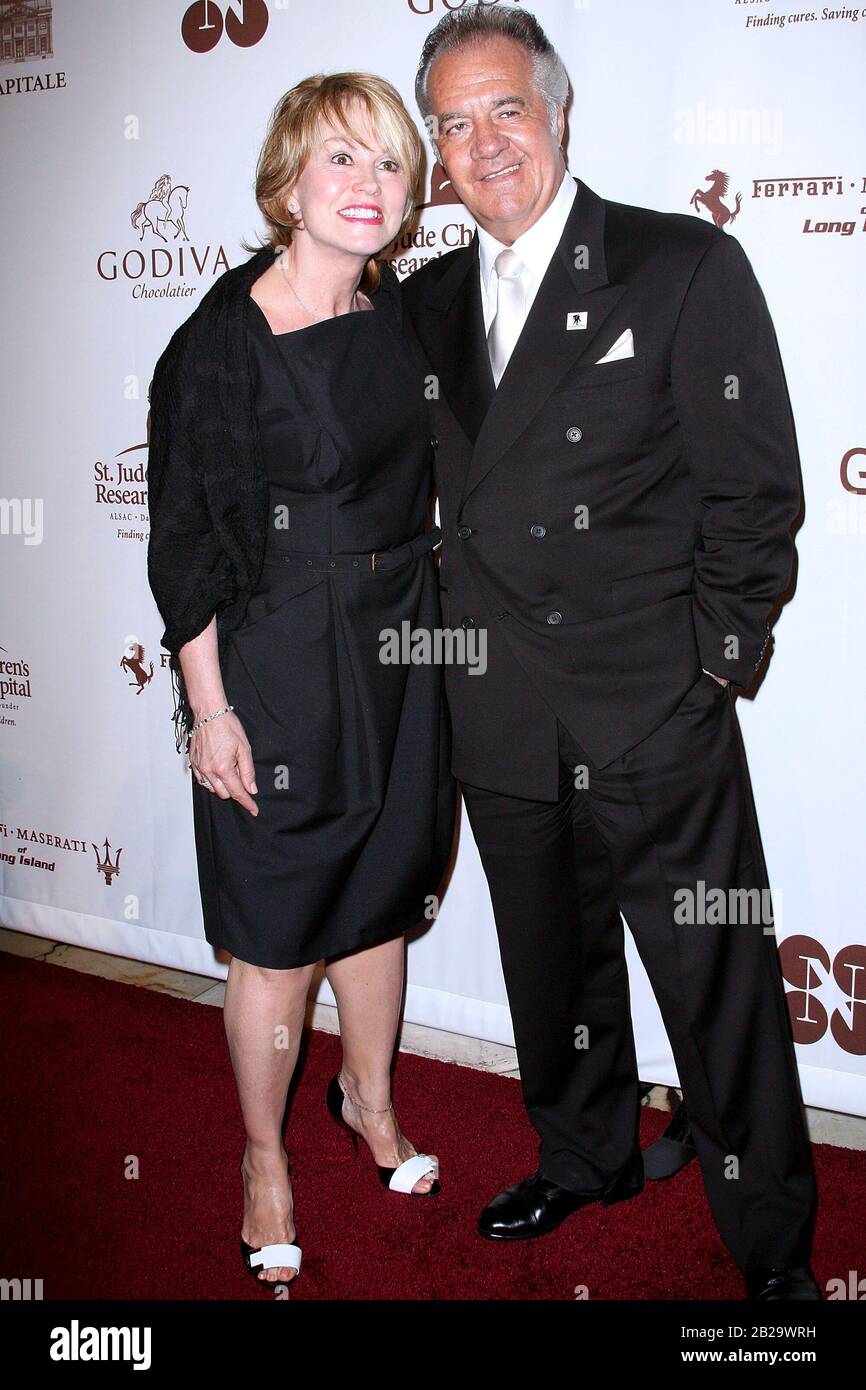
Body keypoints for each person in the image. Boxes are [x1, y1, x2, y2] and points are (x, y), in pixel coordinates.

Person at [403, 5, 819, 1300]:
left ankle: (772, 1251)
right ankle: (582, 1153)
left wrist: (710, 669)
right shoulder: (412, 308)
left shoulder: (673, 264)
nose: (483, 143)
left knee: (719, 989)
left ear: (558, 111)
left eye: (503, 109)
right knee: (551, 968)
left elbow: (755, 494)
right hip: (499, 718)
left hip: (649, 708)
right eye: (452, 124)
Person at [147, 73, 456, 1288]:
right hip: (275, 659)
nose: (370, 185)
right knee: (278, 931)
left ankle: (369, 1105)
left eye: (388, 163)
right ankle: (263, 1155)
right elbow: (184, 542)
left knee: (378, 897)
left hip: (399, 648)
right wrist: (208, 707)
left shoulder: (406, 315)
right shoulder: (219, 343)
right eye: (342, 160)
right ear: (287, 182)